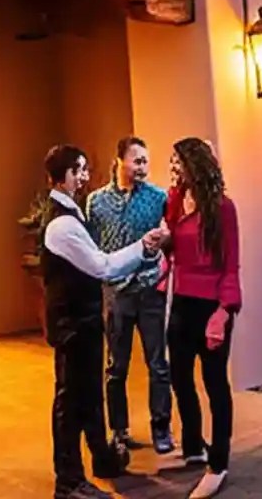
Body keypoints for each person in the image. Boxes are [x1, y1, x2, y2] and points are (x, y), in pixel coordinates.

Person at [40, 144, 167, 499]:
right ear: (62, 175)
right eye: (78, 170)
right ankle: (68, 482)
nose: (84, 176)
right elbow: (103, 266)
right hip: (72, 326)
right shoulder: (62, 224)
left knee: (90, 395)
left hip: (84, 322)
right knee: (70, 402)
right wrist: (142, 247)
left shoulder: (72, 212)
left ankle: (103, 459)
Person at [159, 137, 242, 499]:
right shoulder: (175, 201)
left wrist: (224, 312)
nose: (173, 167)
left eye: (177, 161)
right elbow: (173, 249)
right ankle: (194, 443)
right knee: (179, 377)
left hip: (211, 305)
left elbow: (231, 264)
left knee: (215, 385)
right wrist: (161, 243)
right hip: (181, 302)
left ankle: (218, 463)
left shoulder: (223, 208)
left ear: (194, 165)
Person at [84, 136, 174, 455]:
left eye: (145, 161)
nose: (142, 167)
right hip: (116, 295)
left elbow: (171, 239)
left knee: (158, 364)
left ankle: (161, 428)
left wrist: (164, 243)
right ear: (119, 161)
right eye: (137, 160)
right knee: (116, 367)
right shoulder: (96, 202)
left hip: (149, 290)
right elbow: (92, 248)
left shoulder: (158, 197)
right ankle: (119, 431)